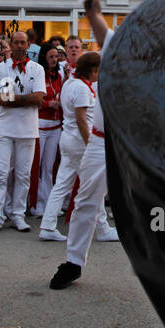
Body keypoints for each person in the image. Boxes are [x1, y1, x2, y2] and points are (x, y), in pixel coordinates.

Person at [49, 0, 119, 289]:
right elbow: (94, 15)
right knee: (86, 200)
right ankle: (74, 262)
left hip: (136, 147)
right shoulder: (117, 46)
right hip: (100, 143)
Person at [0, 30, 44, 232]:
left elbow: (39, 98)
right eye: (15, 42)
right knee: (0, 173)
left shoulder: (37, 69)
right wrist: (27, 98)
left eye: (22, 42)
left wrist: (18, 99)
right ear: (11, 44)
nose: (19, 46)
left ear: (28, 45)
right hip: (3, 128)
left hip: (28, 129)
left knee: (24, 175)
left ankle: (18, 214)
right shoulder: (1, 68)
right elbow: (5, 100)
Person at [39, 52, 100, 240]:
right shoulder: (81, 88)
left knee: (65, 184)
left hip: (69, 138)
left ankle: (48, 226)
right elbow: (82, 120)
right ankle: (102, 228)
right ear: (93, 70)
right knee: (93, 184)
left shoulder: (70, 84)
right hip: (79, 141)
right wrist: (90, 143)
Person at [31, 44, 64, 214]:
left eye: (56, 56)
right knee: (37, 165)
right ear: (44, 57)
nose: (54, 59)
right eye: (51, 56)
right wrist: (47, 104)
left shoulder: (59, 76)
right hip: (41, 122)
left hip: (55, 125)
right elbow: (36, 98)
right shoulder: (39, 74)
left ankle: (49, 204)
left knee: (49, 166)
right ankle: (36, 203)